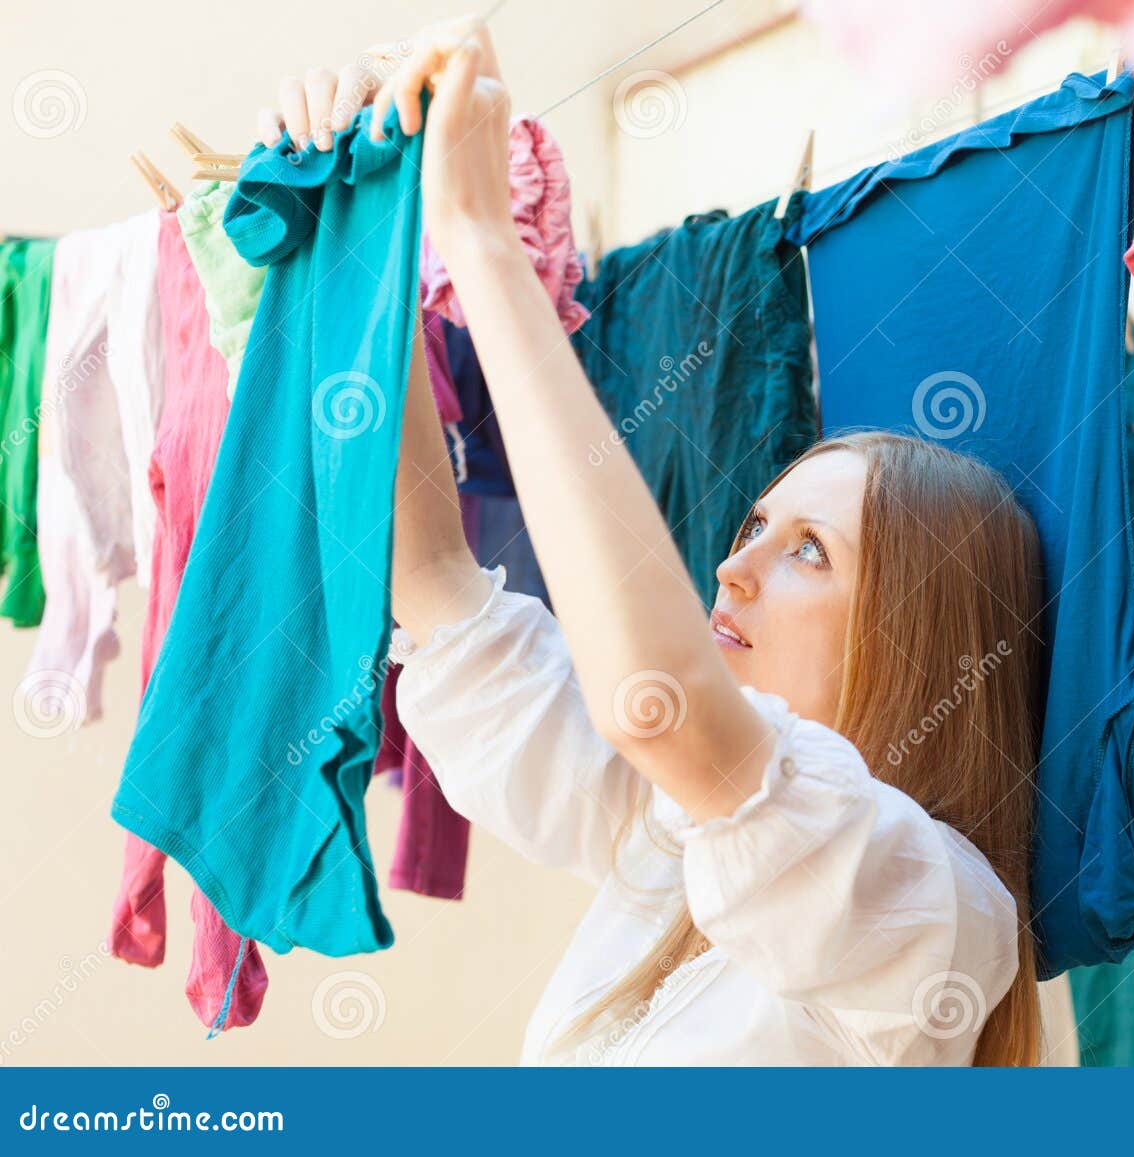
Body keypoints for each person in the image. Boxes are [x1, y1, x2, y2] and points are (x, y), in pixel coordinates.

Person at [261, 20, 1046, 1065]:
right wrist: (380, 229)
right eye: (754, 525)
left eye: (809, 549)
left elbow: (653, 703)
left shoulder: (932, 906)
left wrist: (484, 238)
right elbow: (433, 580)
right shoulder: (667, 832)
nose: (732, 564)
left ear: (921, 635)